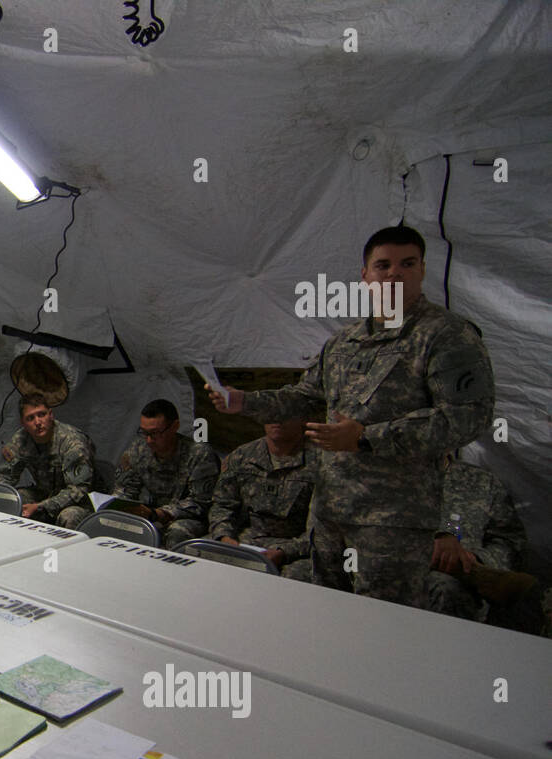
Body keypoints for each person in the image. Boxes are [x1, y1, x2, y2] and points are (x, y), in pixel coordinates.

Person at [207, 225, 495, 609]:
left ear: (423, 270)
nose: (394, 273)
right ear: (365, 275)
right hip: (329, 515)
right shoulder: (344, 342)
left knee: (382, 629)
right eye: (383, 265)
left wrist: (365, 437)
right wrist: (244, 402)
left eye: (406, 264)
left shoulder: (447, 336)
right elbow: (303, 397)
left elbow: (466, 418)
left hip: (392, 522)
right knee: (325, 618)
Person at [208, 417, 317, 579]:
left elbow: (322, 528)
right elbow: (222, 505)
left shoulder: (321, 462)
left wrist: (284, 552)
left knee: (297, 576)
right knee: (202, 556)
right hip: (243, 540)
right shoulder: (242, 456)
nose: (277, 420)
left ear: (303, 420)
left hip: (296, 548)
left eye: (285, 414)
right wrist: (224, 537)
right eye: (270, 413)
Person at [427, 454, 528, 620]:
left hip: (455, 612)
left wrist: (476, 560)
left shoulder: (480, 482)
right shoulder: (376, 478)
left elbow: (510, 542)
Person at [112, 399, 220, 546]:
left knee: (177, 531)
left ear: (174, 426)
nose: (149, 440)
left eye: (155, 433)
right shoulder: (137, 450)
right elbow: (126, 489)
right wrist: (115, 504)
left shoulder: (199, 455)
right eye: (144, 433)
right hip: (147, 514)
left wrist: (160, 513)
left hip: (185, 518)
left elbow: (200, 502)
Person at [0, 394, 95, 529]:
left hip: (81, 502)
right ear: (23, 423)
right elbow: (5, 476)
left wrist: (41, 506)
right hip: (46, 493)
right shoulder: (21, 439)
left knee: (68, 516)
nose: (37, 422)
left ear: (51, 415)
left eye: (41, 415)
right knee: (14, 499)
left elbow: (77, 490)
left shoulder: (72, 442)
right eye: (30, 418)